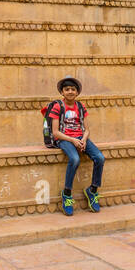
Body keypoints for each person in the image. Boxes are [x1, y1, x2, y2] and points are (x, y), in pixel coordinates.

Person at [47, 76, 104, 216]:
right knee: (74, 159)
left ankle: (93, 190)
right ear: (62, 92)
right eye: (67, 89)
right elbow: (55, 132)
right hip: (64, 138)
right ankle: (67, 194)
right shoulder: (57, 106)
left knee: (100, 158)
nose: (70, 92)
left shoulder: (80, 106)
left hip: (80, 137)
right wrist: (73, 140)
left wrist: (84, 139)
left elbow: (87, 129)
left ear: (77, 92)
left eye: (73, 89)